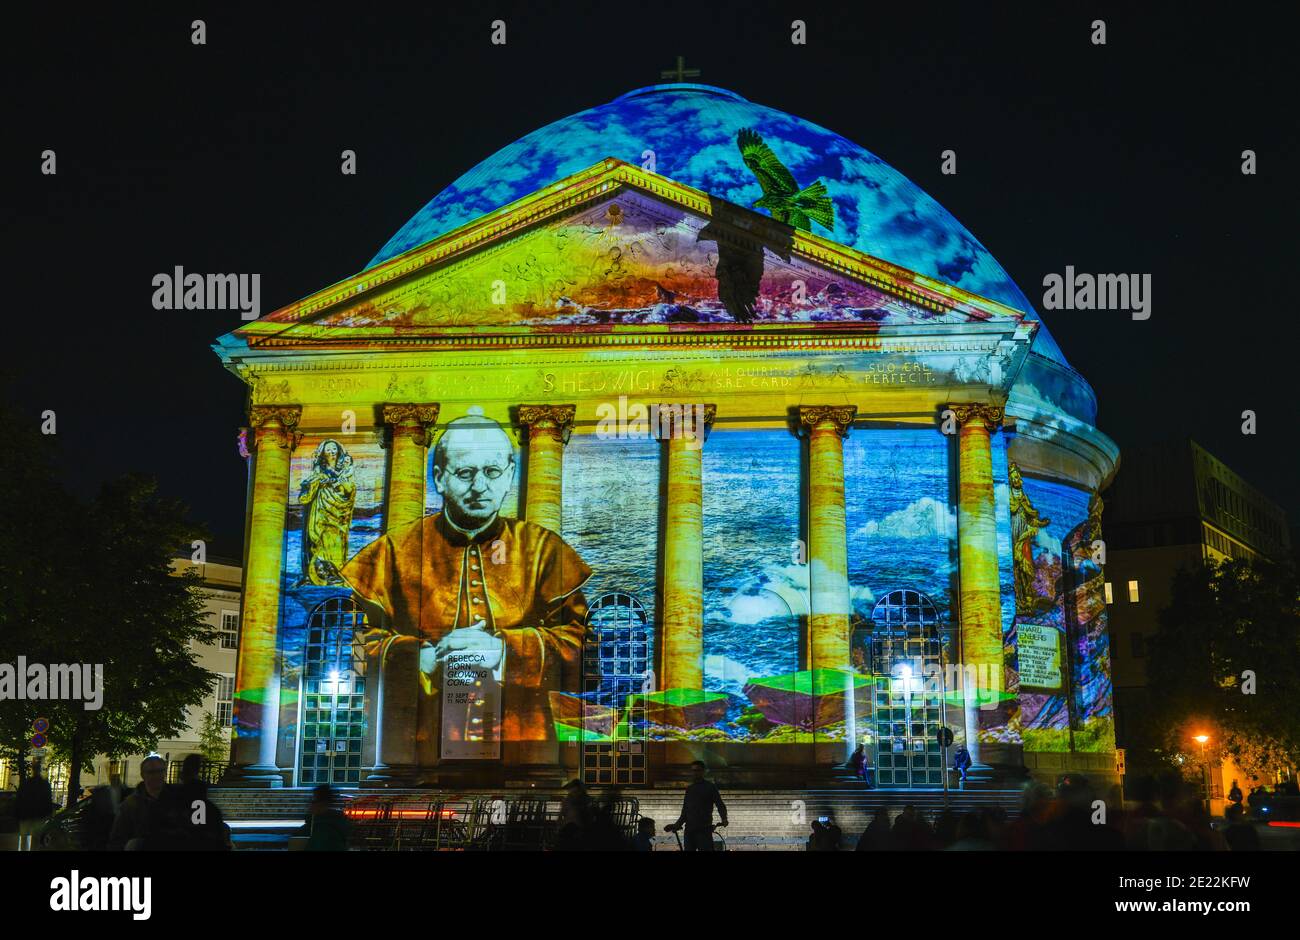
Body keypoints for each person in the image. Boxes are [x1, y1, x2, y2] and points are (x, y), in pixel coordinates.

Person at [342, 409, 593, 751]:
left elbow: (583, 647)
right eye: (465, 473)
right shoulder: (393, 550)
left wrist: (504, 650)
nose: (480, 486)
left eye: (492, 472)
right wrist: (418, 659)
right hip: (417, 743)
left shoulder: (544, 549)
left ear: (510, 475)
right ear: (439, 478)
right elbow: (355, 641)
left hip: (524, 744)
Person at [108, 756, 170, 850]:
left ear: (165, 772)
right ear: (143, 775)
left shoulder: (177, 798)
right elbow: (117, 839)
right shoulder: (130, 804)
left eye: (160, 771)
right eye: (151, 772)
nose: (156, 775)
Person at [665, 761, 728, 851]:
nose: (695, 773)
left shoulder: (710, 787)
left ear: (703, 771)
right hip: (690, 830)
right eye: (693, 770)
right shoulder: (690, 789)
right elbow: (685, 811)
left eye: (698, 770)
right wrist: (677, 824)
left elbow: (720, 804)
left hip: (704, 829)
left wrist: (724, 818)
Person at [15, 762, 56, 852]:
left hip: (25, 816)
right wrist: (48, 814)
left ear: (32, 770)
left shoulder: (25, 784)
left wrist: (17, 815)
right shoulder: (45, 785)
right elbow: (48, 801)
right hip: (39, 817)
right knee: (36, 841)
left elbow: (19, 800)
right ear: (40, 770)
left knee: (24, 839)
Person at [303, 785, 351, 851]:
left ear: (321, 803)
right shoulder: (336, 822)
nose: (309, 804)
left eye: (313, 800)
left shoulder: (323, 828)